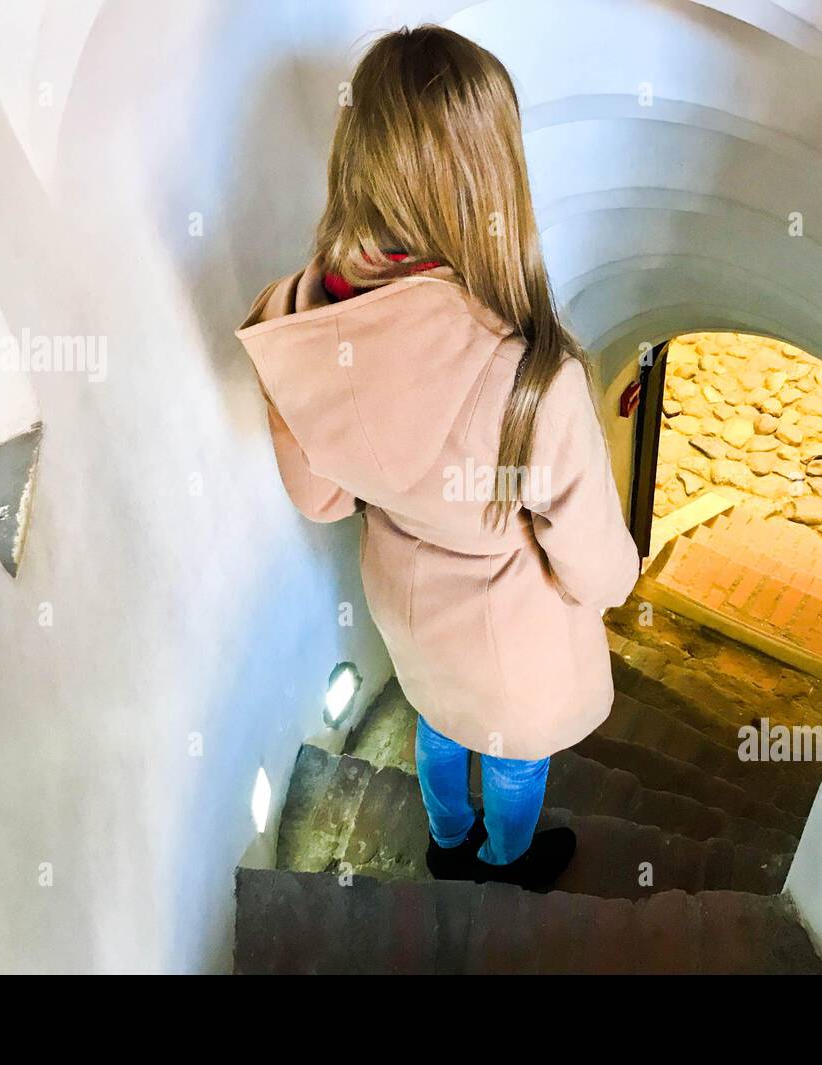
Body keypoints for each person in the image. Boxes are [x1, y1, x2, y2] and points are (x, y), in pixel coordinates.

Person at [236, 25, 639, 891]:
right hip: (510, 642)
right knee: (513, 759)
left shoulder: (298, 321)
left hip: (409, 610)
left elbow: (322, 501)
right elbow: (601, 572)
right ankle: (507, 858)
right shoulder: (536, 378)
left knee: (436, 721)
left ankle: (448, 845)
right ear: (488, 178)